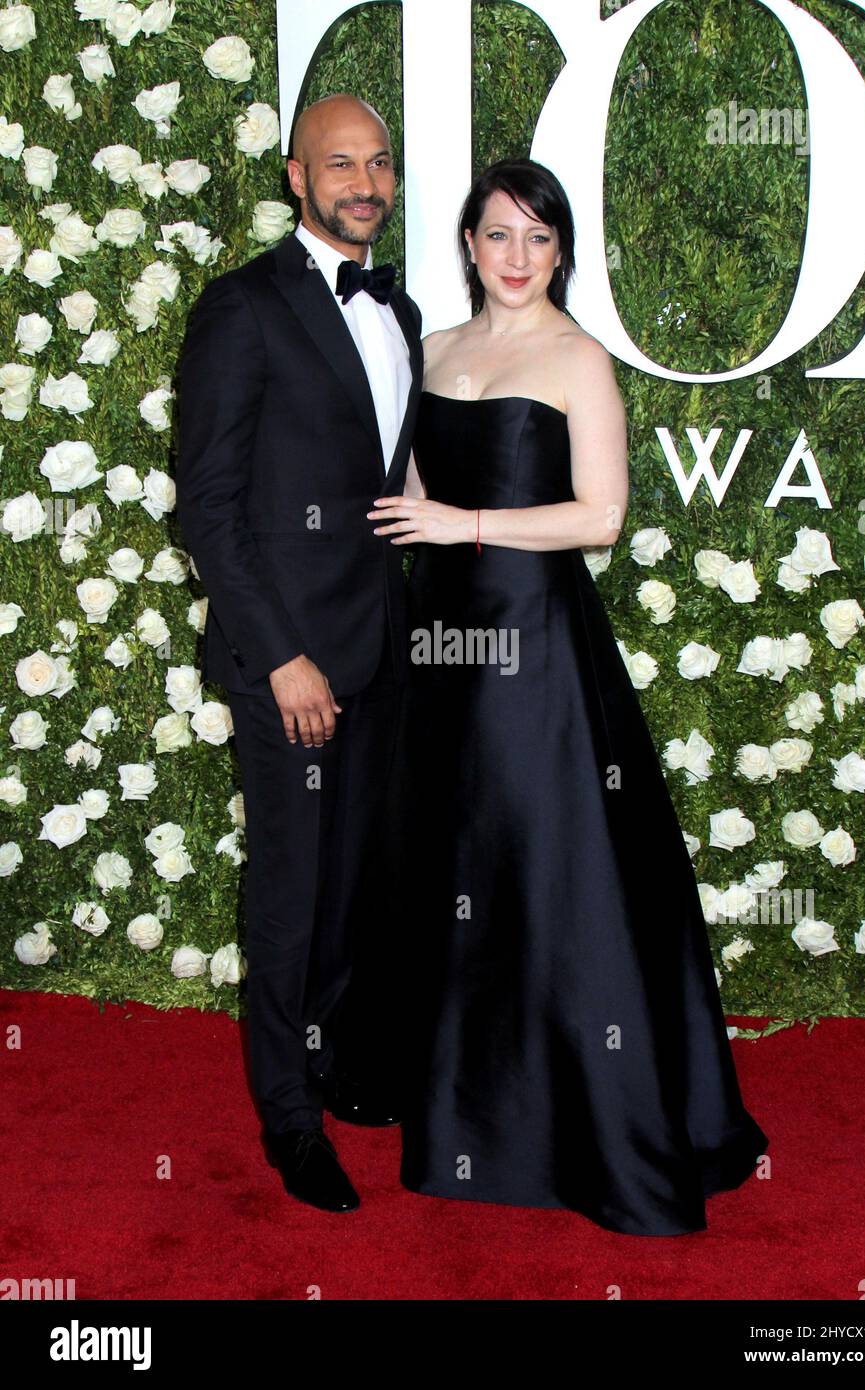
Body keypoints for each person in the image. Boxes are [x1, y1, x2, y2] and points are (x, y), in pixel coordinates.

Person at [368, 157, 769, 1236]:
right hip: (436, 642)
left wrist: (468, 526)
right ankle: (467, 1109)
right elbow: (406, 493)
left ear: (560, 252)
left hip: (533, 646)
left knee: (551, 866)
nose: (515, 257)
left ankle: (587, 1122)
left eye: (537, 239)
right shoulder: (432, 350)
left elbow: (599, 518)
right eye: (498, 235)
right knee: (455, 864)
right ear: (467, 242)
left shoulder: (576, 359)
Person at [175, 94, 423, 1213]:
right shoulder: (242, 307)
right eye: (340, 165)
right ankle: (286, 1116)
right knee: (286, 891)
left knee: (348, 884)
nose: (363, 182)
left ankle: (330, 1063)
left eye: (377, 162)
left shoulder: (402, 309)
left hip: (374, 650)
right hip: (289, 665)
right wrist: (279, 658)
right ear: (295, 176)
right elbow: (209, 508)